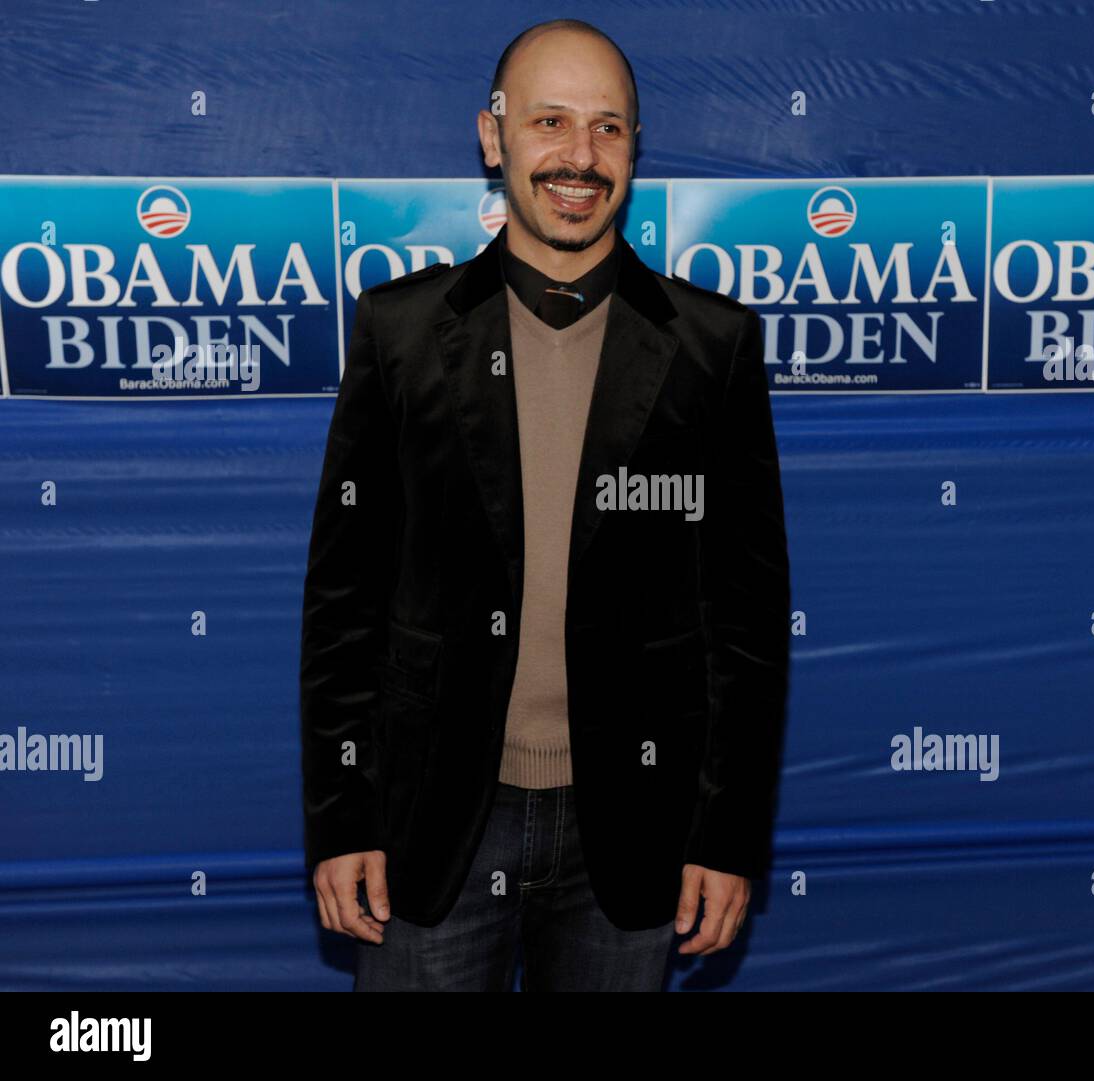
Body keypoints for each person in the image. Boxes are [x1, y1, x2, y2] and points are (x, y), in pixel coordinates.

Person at [299, 18, 791, 991]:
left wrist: (727, 835)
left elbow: (746, 623)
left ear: (636, 146)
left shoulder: (710, 344)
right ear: (494, 136)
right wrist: (344, 816)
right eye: (551, 122)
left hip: (634, 829)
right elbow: (343, 603)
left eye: (609, 129)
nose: (579, 157)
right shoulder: (400, 333)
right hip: (431, 825)